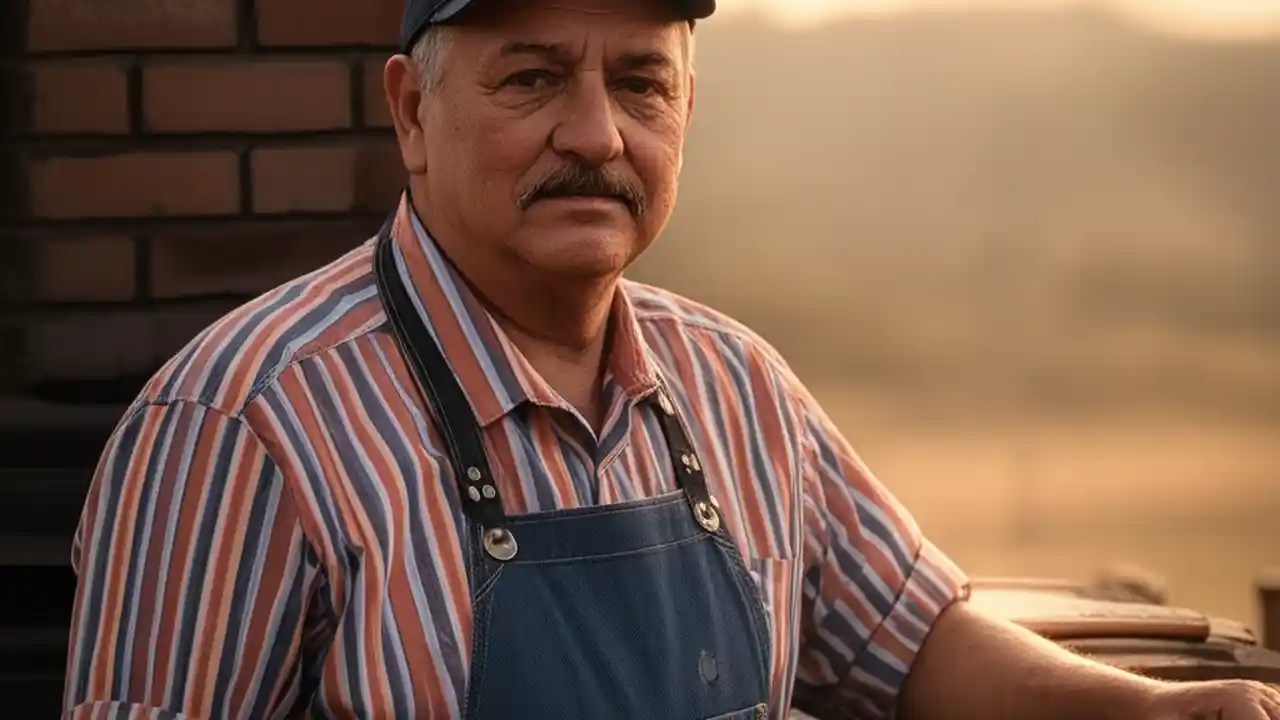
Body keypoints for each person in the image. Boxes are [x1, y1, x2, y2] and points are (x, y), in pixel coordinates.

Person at [62, 0, 1280, 717]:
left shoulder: (734, 386)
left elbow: (916, 644)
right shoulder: (241, 425)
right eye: (532, 78)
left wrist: (1161, 712)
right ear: (410, 113)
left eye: (640, 83)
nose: (596, 134)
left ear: (684, 114)